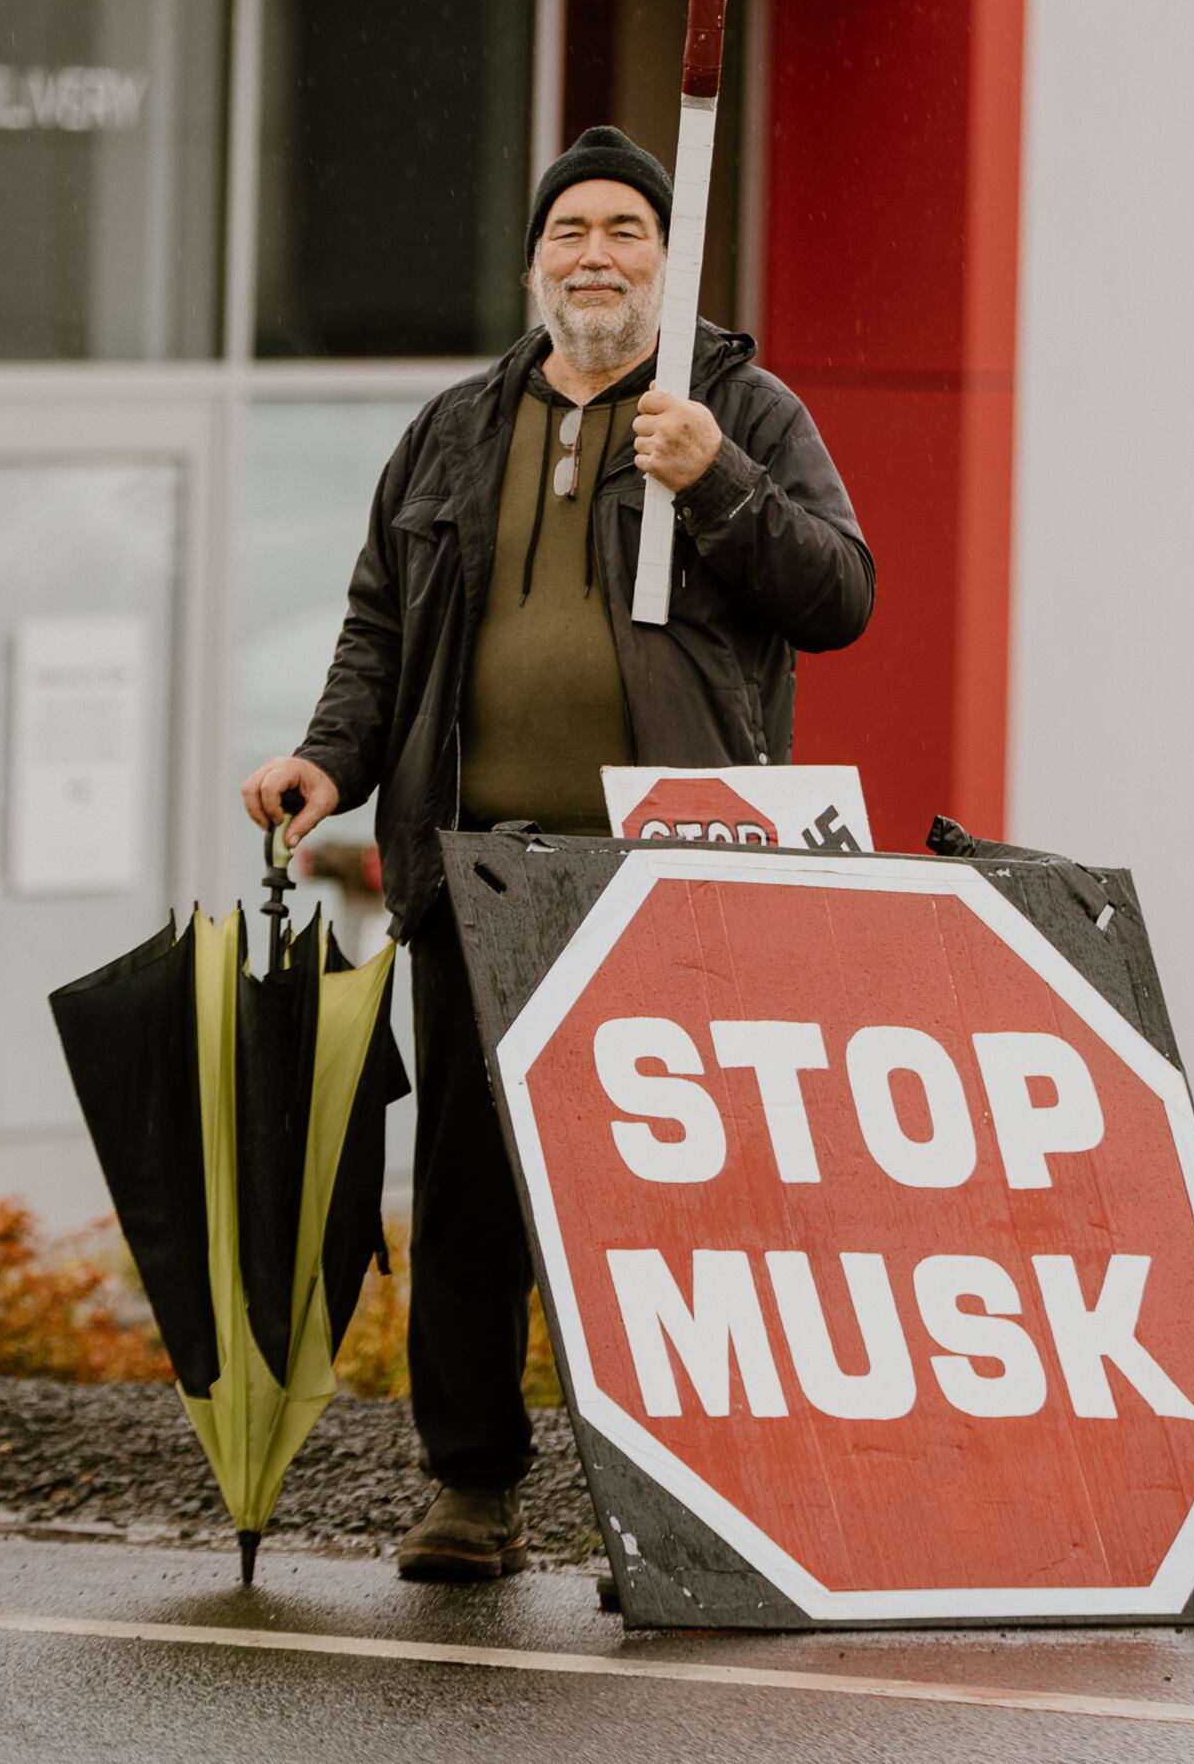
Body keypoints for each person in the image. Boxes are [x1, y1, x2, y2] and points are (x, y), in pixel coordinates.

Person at [242, 121, 874, 1580]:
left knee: (670, 1202)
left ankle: (695, 1515)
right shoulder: (458, 425)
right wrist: (323, 762)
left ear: (671, 256)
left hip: (672, 873)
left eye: (627, 230)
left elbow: (841, 595)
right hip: (478, 872)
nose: (597, 253)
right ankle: (471, 1489)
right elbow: (379, 631)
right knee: (468, 1190)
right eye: (572, 231)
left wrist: (716, 480)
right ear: (536, 260)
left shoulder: (741, 408)